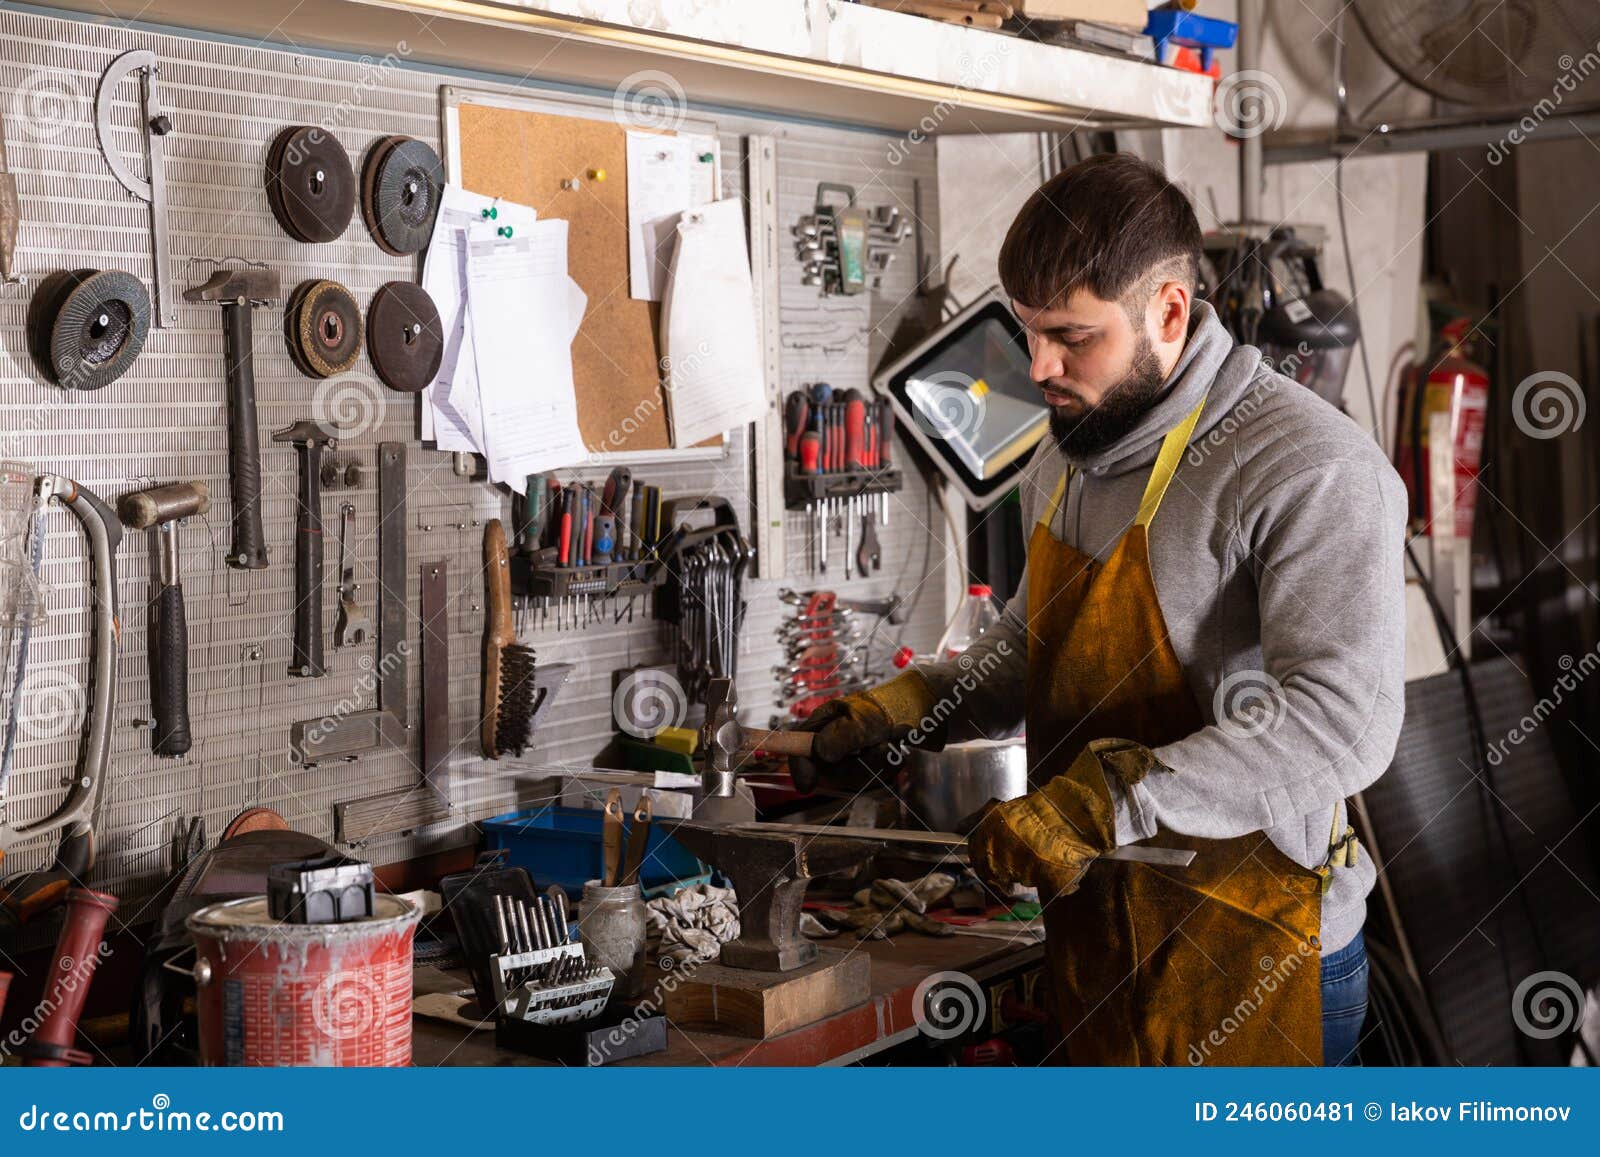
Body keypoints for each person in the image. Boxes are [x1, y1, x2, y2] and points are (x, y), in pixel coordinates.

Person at [793, 153, 1406, 1067]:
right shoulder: (1071, 448)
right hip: (1098, 936)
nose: (1038, 366)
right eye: (1029, 331)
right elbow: (1038, 641)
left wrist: (1110, 799)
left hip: (1255, 953)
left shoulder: (1308, 466)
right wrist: (919, 704)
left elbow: (1342, 722)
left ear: (1166, 310)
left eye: (1073, 336)